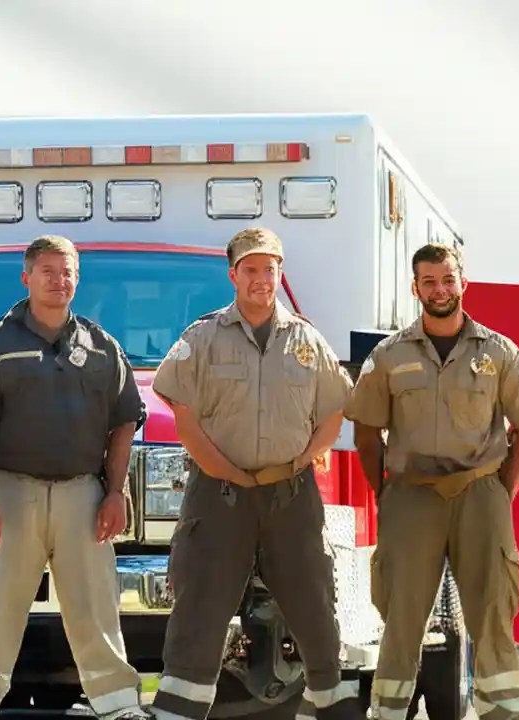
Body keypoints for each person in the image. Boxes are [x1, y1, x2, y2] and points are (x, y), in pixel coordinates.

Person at [148, 227, 360, 720]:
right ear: (234, 276)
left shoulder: (307, 340)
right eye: (251, 269)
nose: (262, 279)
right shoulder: (203, 337)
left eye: (270, 269)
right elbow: (181, 410)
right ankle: (178, 712)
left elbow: (334, 408)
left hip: (291, 495)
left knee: (313, 604)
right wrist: (225, 470)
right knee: (200, 609)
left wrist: (303, 459)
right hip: (219, 495)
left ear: (280, 274)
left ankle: (329, 706)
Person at [345, 242, 519, 720]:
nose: (440, 290)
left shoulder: (498, 351)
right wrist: (388, 493)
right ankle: (390, 711)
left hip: (480, 494)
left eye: (448, 279)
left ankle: (503, 712)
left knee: (493, 614)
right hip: (411, 496)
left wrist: (504, 488)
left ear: (463, 282)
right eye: (430, 282)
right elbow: (366, 431)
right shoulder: (390, 355)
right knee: (400, 616)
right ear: (415, 288)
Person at [0, 235, 149, 720]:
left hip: (83, 492)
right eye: (48, 272)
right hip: (12, 492)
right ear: (27, 277)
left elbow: (124, 422)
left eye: (68, 273)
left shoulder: (102, 346)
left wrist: (115, 493)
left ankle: (118, 704)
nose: (59, 281)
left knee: (95, 606)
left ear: (77, 278)